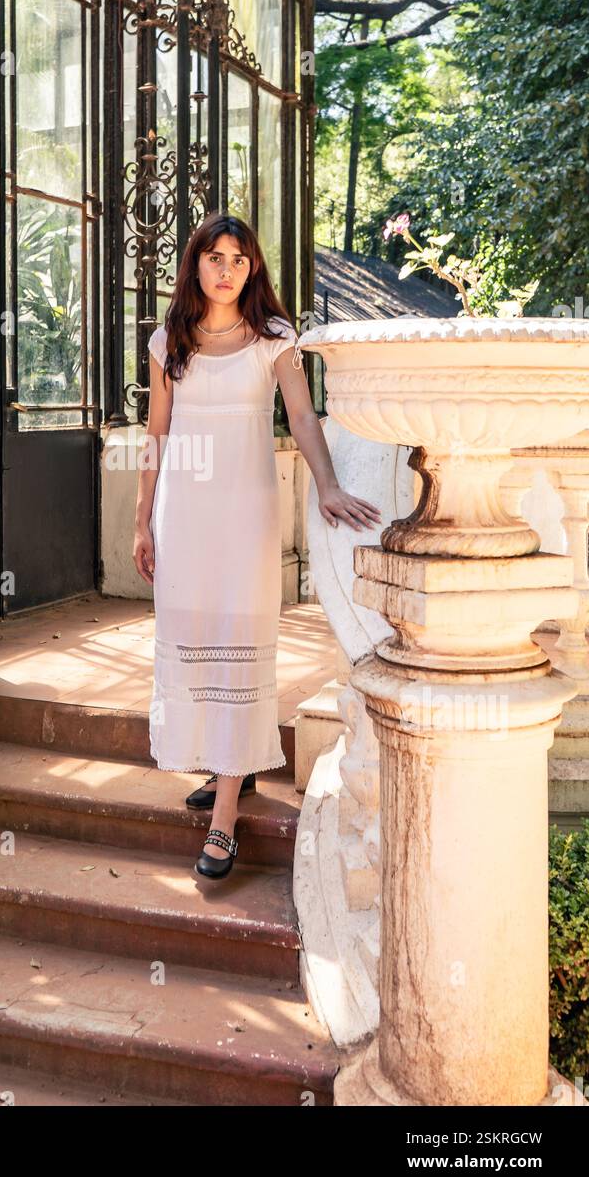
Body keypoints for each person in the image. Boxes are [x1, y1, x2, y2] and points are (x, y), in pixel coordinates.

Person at [132, 211, 381, 880]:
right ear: (196, 265)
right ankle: (223, 770)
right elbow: (155, 435)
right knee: (197, 640)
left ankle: (224, 821)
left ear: (252, 268)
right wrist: (141, 519)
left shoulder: (274, 338)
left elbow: (302, 413)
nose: (226, 268)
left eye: (238, 259)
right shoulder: (168, 343)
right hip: (184, 515)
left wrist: (326, 485)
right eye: (214, 256)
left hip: (245, 513)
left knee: (239, 649)